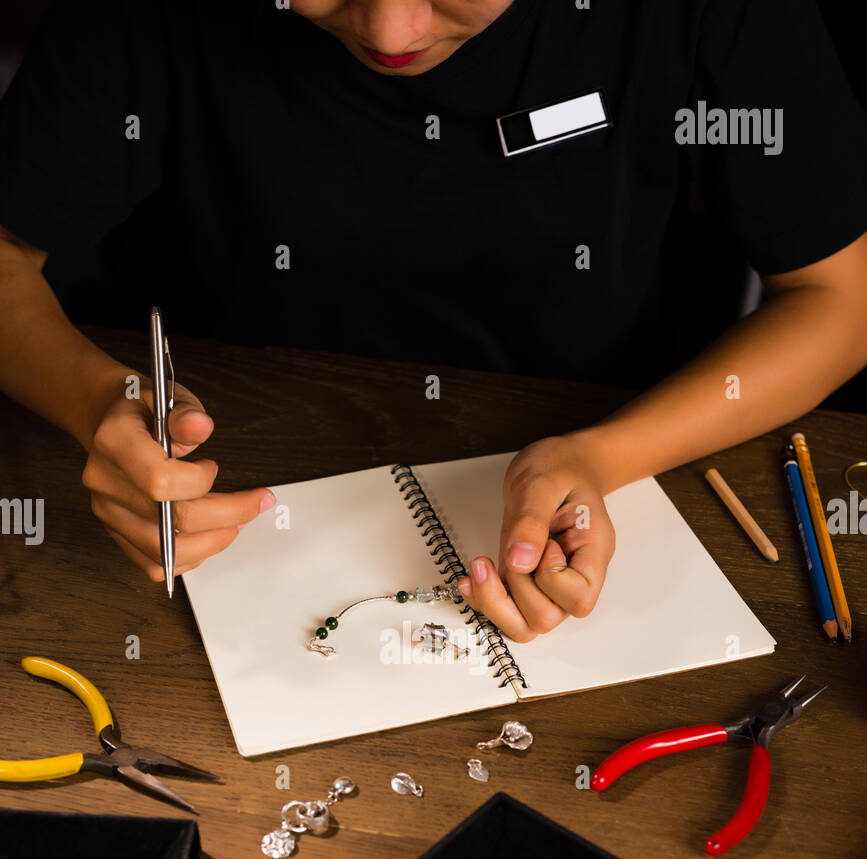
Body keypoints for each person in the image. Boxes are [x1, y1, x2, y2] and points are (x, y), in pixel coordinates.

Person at [0, 0, 865, 642]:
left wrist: (608, 456)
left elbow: (839, 301)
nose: (390, 31)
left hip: (622, 429)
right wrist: (99, 403)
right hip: (238, 471)